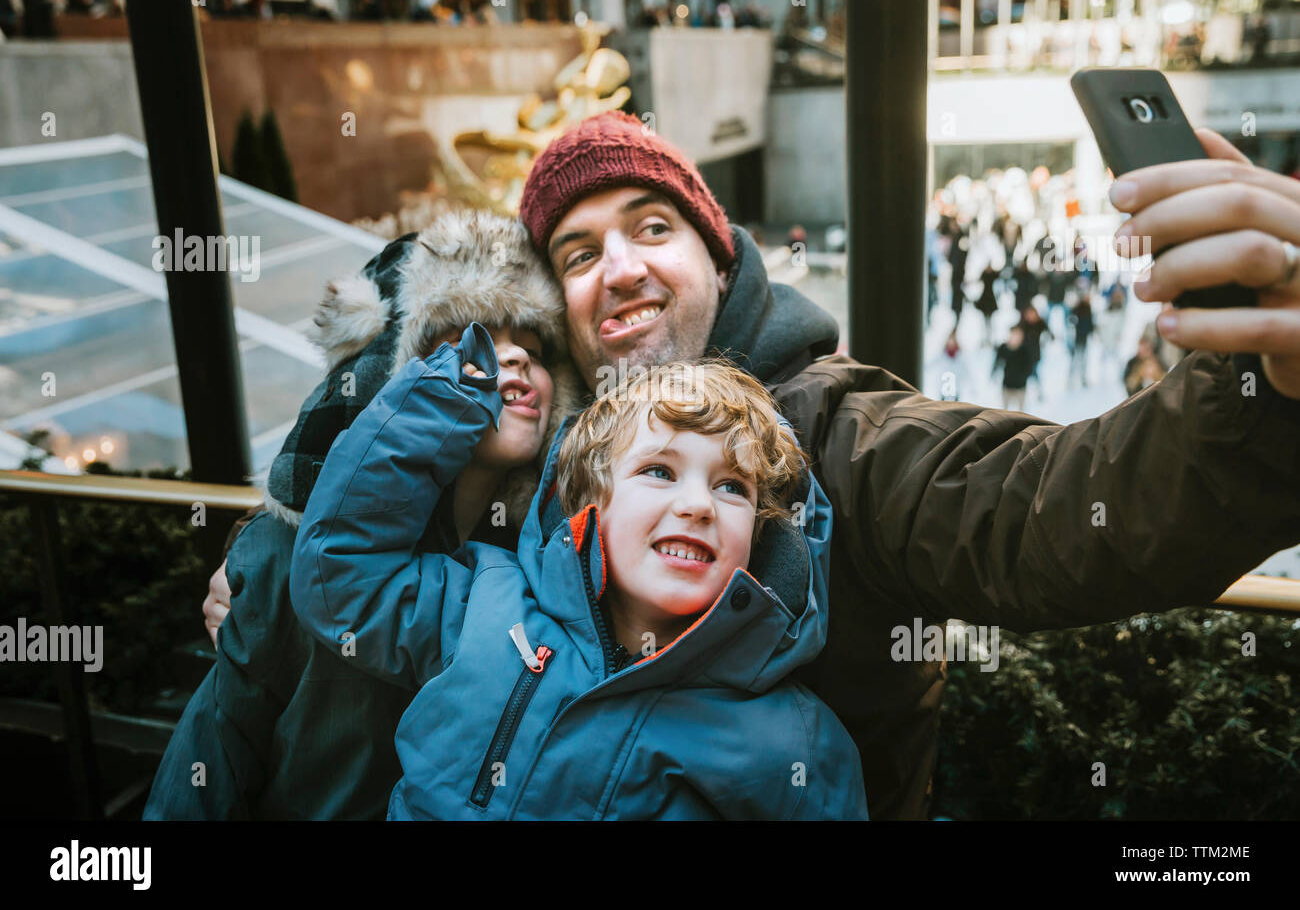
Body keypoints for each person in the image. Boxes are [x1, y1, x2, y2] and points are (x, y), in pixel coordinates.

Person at [204, 112, 1300, 820]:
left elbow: (1051, 515)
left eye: (651, 227)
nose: (619, 267)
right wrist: (261, 566)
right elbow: (382, 577)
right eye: (579, 254)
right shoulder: (562, 455)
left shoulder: (832, 431)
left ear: (719, 261)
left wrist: (1267, 382)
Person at [291, 350, 868, 819]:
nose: (697, 505)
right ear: (590, 502)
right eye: (659, 471)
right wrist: (440, 401)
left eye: (732, 487)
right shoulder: (483, 602)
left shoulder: (796, 744)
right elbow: (341, 578)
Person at [146, 210, 582, 819]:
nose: (513, 362)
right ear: (391, 374)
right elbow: (204, 775)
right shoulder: (284, 557)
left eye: (535, 349)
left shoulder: (542, 570)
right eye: (470, 343)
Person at [992, 324, 1034, 412]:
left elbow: (1030, 367)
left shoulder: (1025, 350)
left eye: (1017, 335)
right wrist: (993, 372)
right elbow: (997, 362)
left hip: (1021, 387)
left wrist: (1024, 376)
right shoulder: (1003, 348)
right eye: (1013, 334)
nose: (1015, 337)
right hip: (1007, 385)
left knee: (1021, 412)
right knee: (1005, 411)